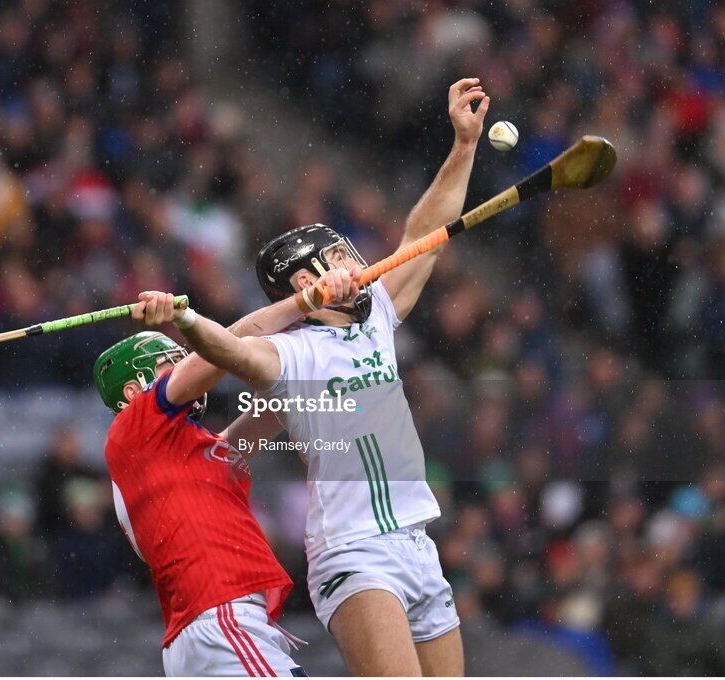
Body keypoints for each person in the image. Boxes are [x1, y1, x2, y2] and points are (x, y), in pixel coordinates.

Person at [140, 78, 489, 676]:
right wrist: (186, 320)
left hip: (418, 545)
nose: (355, 265)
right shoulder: (291, 355)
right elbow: (233, 349)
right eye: (339, 260)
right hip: (355, 553)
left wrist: (463, 143)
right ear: (306, 284)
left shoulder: (378, 313)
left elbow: (426, 236)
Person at [98, 268, 360, 677]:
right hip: (220, 615)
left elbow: (276, 404)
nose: (183, 369)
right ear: (133, 390)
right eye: (169, 364)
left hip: (223, 624)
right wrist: (305, 301)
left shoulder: (190, 449)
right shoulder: (133, 429)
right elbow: (225, 348)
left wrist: (313, 339)